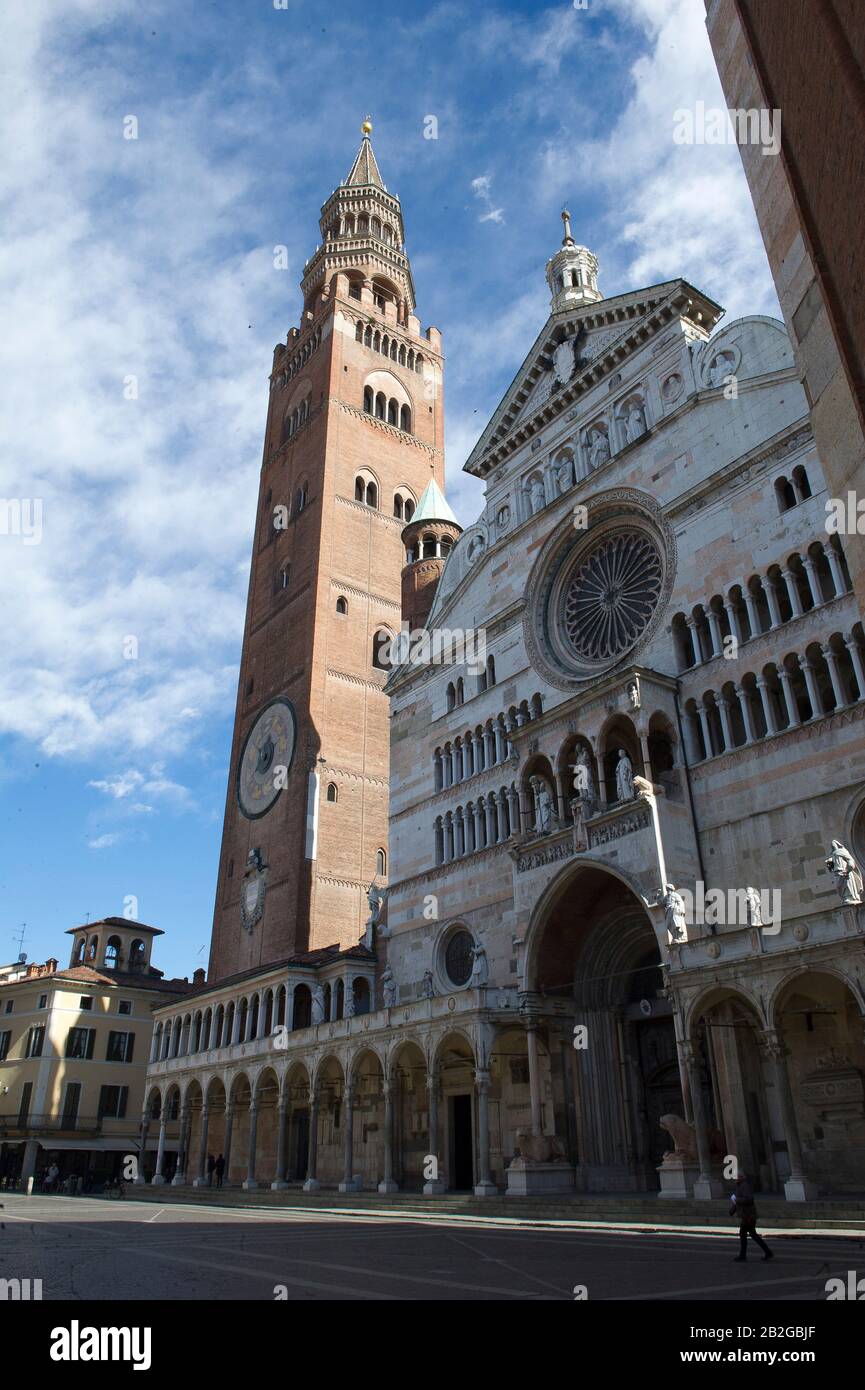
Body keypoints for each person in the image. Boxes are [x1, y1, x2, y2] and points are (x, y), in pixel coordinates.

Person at [730, 1173, 773, 1262]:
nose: (736, 1178)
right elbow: (738, 1201)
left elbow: (748, 1199)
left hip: (748, 1215)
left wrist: (736, 1200)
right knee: (751, 1234)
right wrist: (732, 1210)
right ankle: (767, 1252)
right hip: (746, 1215)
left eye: (738, 1176)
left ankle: (743, 1255)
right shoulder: (740, 1186)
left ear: (742, 1178)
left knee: (745, 1234)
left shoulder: (744, 1186)